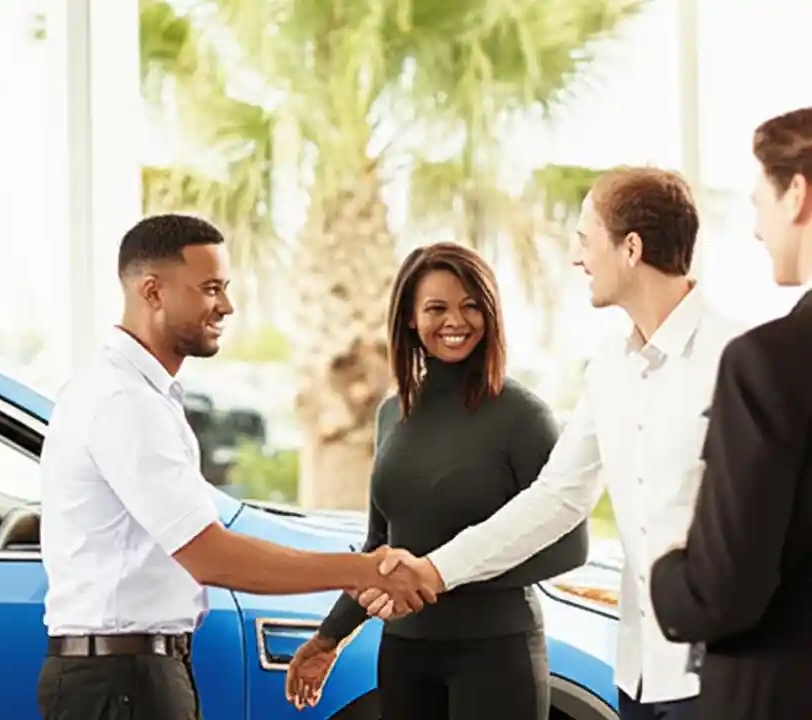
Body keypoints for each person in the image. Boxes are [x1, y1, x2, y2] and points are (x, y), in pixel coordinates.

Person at [358, 167, 749, 719]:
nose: (576, 258)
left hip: (732, 669)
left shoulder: (742, 358)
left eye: (586, 240)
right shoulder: (610, 366)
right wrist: (433, 571)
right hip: (643, 668)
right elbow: (556, 498)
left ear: (631, 249)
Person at [35, 213, 434, 720]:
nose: (227, 306)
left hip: (128, 676)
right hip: (123, 683)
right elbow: (210, 556)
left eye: (224, 288)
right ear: (153, 292)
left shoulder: (128, 393)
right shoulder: (124, 400)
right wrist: (360, 569)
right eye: (210, 289)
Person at [284, 242, 588, 719]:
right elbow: (380, 544)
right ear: (410, 317)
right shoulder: (393, 412)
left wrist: (437, 579)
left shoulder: (522, 415)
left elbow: (570, 546)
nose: (455, 321)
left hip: (496, 655)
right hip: (404, 654)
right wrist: (329, 638)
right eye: (437, 308)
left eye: (471, 306)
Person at [648, 107, 812, 720]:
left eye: (758, 203)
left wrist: (666, 566)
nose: (757, 229)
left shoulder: (768, 363)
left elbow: (718, 596)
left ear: (797, 194)